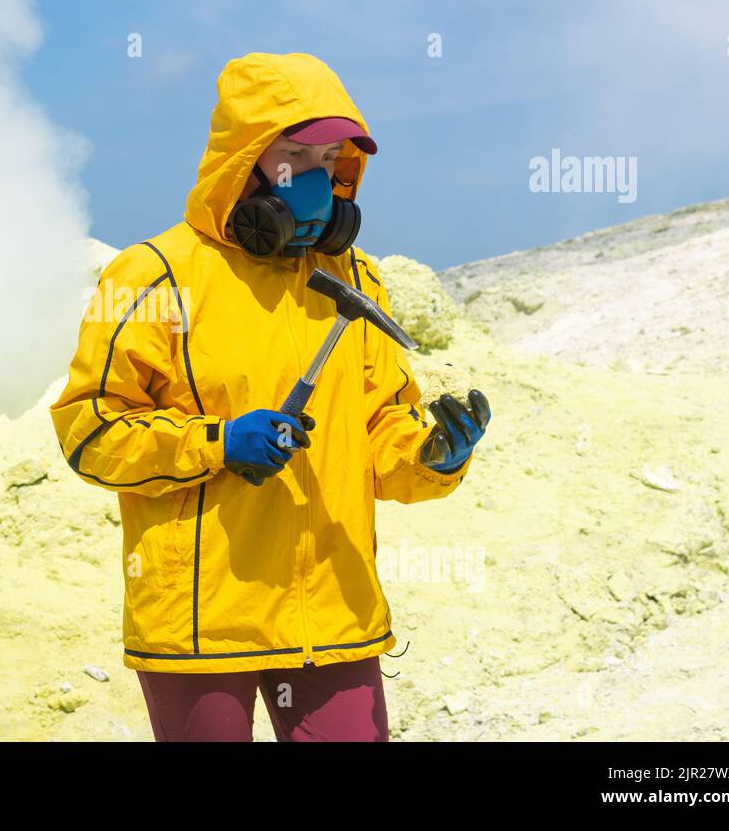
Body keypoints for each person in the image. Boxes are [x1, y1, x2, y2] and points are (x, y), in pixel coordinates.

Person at [49, 52, 490, 742]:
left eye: (330, 157)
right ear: (244, 159)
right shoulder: (153, 276)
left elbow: (380, 435)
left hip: (334, 616)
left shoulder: (356, 279)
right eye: (294, 153)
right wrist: (216, 445)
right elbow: (90, 430)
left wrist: (432, 454)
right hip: (201, 622)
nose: (316, 175)